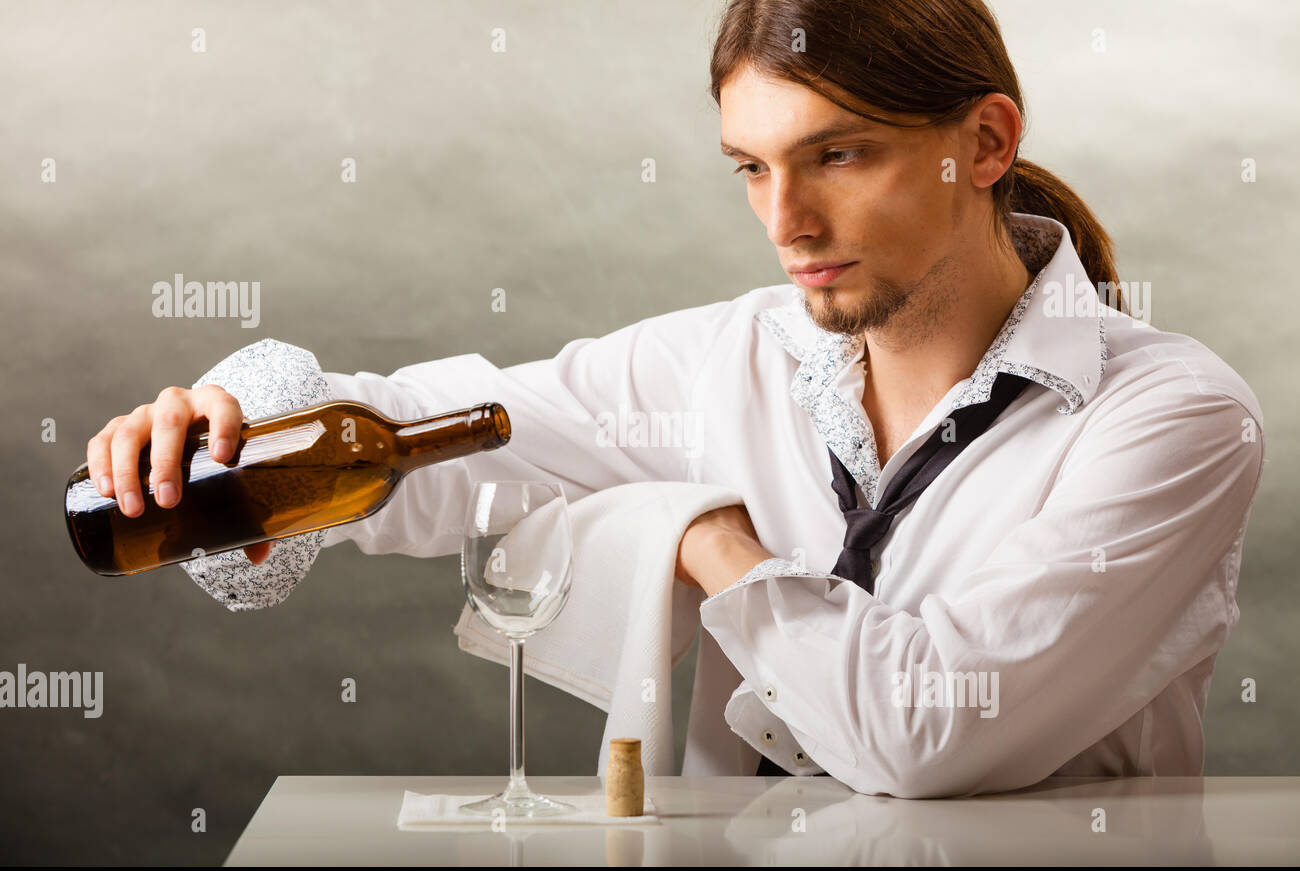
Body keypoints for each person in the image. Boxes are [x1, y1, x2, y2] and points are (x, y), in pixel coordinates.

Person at [83, 0, 1264, 797]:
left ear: (986, 141)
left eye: (838, 155)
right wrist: (227, 424)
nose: (785, 223)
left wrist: (701, 537)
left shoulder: (1171, 417)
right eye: (751, 166)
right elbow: (428, 441)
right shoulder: (723, 358)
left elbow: (923, 732)